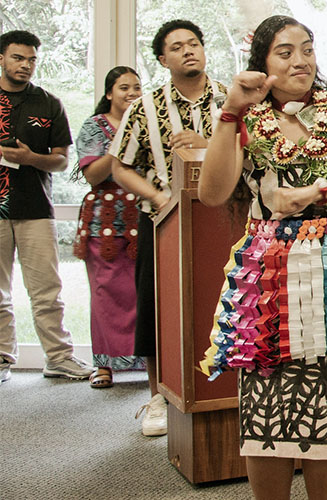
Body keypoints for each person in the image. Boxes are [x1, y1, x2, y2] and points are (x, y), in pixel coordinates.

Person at [197, 15, 327, 500]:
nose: (301, 60)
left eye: (308, 48)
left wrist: (320, 189)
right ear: (263, 64)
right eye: (285, 51)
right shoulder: (244, 117)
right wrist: (230, 111)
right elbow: (213, 194)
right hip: (269, 274)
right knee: (269, 394)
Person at [109, 20, 227, 435]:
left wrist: (207, 146)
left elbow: (257, 155)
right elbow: (120, 166)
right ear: (163, 59)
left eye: (194, 43)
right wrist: (159, 201)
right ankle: (158, 395)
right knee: (158, 306)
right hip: (162, 220)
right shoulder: (145, 107)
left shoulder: (233, 101)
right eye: (177, 47)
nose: (188, 51)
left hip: (226, 219)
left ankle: (234, 389)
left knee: (228, 304)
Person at [0, 30, 95, 385]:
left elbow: (60, 162)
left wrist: (28, 158)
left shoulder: (48, 103)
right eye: (18, 58)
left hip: (36, 209)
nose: (25, 65)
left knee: (46, 291)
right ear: (2, 59)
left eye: (31, 59)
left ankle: (58, 358)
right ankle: (1, 359)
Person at [71, 66, 144, 388]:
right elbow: (93, 175)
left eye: (136, 87)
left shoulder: (148, 123)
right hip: (106, 222)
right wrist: (122, 142)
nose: (131, 93)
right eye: (124, 87)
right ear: (109, 93)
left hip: (144, 216)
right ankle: (103, 364)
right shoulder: (94, 126)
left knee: (143, 293)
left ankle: (146, 361)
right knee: (105, 294)